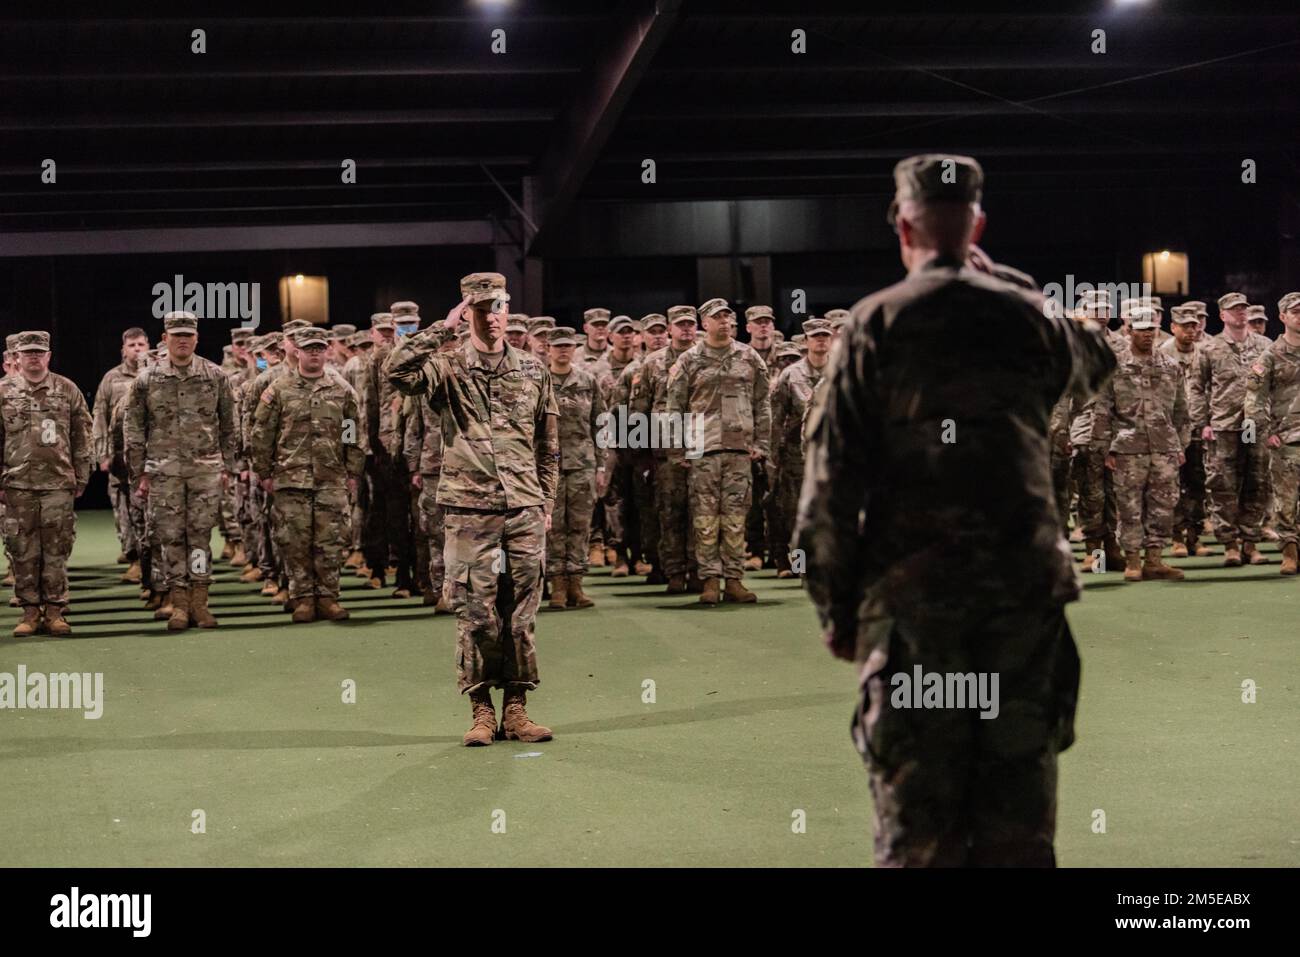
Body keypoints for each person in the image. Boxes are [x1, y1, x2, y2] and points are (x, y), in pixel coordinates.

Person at [795, 154, 1115, 867]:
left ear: (903, 226)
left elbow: (825, 497)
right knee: (1017, 831)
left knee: (919, 832)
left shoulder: (871, 326)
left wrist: (837, 614)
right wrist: (1007, 281)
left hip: (912, 608)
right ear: (979, 225)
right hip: (1020, 607)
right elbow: (1097, 356)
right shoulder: (1031, 316)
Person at [386, 272, 559, 747]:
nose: (493, 318)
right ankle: (481, 710)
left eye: (499, 307)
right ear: (468, 314)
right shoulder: (447, 368)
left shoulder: (532, 371)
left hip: (523, 506)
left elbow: (549, 445)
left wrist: (546, 500)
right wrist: (443, 329)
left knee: (521, 614)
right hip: (469, 508)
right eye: (481, 309)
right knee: (476, 611)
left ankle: (518, 710)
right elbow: (396, 371)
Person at [124, 311, 237, 631]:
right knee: (171, 538)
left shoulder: (215, 375)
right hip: (163, 471)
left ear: (197, 339)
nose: (183, 340)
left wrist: (227, 466)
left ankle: (200, 602)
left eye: (188, 335)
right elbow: (133, 428)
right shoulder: (147, 379)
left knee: (200, 537)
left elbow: (230, 425)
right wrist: (139, 473)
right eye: (177, 335)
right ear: (165, 339)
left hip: (204, 470)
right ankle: (179, 603)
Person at [250, 327, 364, 622]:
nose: (314, 353)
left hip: (331, 478)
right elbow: (262, 432)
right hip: (291, 479)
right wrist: (264, 471)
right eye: (308, 348)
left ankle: (327, 597)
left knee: (331, 540)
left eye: (319, 348)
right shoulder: (278, 389)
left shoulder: (342, 390)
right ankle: (302, 598)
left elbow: (352, 433)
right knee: (294, 542)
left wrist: (353, 472)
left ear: (327, 351)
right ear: (296, 351)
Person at [664, 297, 771, 605]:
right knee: (705, 518)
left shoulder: (749, 357)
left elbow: (762, 404)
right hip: (703, 449)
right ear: (704, 323)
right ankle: (710, 579)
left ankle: (734, 580)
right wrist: (677, 448)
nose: (724, 321)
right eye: (717, 317)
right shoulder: (689, 360)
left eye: (728, 317)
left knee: (736, 516)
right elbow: (675, 407)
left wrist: (762, 443)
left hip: (739, 450)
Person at [0, 331, 92, 637]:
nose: (34, 357)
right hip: (17, 483)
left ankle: (54, 610)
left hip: (57, 483)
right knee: (22, 548)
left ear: (48, 356)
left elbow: (82, 433)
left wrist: (81, 474)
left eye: (39, 352)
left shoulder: (66, 389)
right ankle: (29, 612)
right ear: (17, 357)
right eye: (28, 353)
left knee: (56, 548)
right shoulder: (4, 390)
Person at [1092, 307, 1189, 582]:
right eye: (1141, 329)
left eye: (1151, 329)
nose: (1147, 334)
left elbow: (1182, 411)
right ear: (1129, 330)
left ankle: (1154, 560)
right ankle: (1132, 560)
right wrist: (1106, 448)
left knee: (1163, 505)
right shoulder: (1114, 366)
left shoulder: (1170, 367)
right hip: (1127, 447)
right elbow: (1103, 410)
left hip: (1164, 448)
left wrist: (1179, 445)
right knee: (1129, 506)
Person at [1189, 292, 1272, 566]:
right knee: (1223, 485)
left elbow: (1275, 385)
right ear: (1223, 315)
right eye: (1234, 310)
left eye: (1243, 309)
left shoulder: (1264, 346)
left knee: (1256, 482)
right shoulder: (1209, 348)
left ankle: (1250, 542)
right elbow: (1197, 388)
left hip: (1254, 425)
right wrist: (1202, 423)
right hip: (1223, 426)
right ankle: (1230, 544)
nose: (1241, 313)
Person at [768, 318, 833, 578]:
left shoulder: (841, 371)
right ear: (806, 341)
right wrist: (772, 458)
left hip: (830, 453)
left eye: (825, 336)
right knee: (795, 511)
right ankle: (798, 565)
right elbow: (775, 418)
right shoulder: (791, 374)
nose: (821, 341)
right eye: (816, 336)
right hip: (796, 455)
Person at [1244, 291, 1300, 575]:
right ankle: (1289, 551)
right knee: (1285, 500)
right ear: (1283, 317)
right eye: (1296, 312)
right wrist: (1263, 433)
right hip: (1286, 437)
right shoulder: (1270, 355)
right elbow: (1253, 398)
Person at [91, 327, 151, 582]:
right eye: (132, 345)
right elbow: (99, 416)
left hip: (152, 457)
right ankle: (134, 557)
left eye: (140, 344)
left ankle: (152, 562)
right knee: (124, 511)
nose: (137, 349)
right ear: (123, 349)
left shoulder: (157, 374)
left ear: (148, 346)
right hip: (120, 458)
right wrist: (102, 454)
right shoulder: (112, 378)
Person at [1161, 306, 1210, 556]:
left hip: (1199, 430)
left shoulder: (1205, 354)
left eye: (1194, 325)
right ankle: (1176, 535)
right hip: (1170, 432)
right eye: (1185, 326)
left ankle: (1195, 536)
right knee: (1172, 485)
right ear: (1173, 327)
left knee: (1198, 484)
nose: (1191, 330)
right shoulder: (1162, 355)